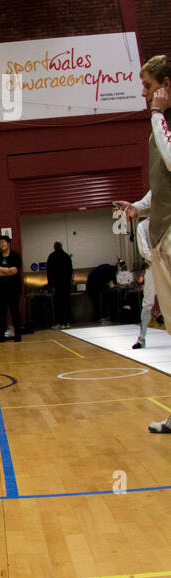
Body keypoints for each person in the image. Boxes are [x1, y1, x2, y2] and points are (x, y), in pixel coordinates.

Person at [114, 52, 171, 432]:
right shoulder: (158, 128)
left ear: (165, 88)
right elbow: (161, 187)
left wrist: (156, 115)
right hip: (162, 233)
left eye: (149, 86)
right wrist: (138, 207)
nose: (144, 93)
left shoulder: (162, 124)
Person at [0, 235, 23, 342]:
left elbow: (15, 270)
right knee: (1, 312)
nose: (1, 244)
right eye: (0, 243)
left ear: (8, 243)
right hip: (0, 289)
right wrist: (7, 271)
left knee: (15, 311)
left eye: (3, 242)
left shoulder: (15, 256)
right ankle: (1, 335)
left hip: (13, 288)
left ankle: (18, 334)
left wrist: (2, 271)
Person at [133, 217, 158, 349]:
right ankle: (141, 339)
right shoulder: (143, 226)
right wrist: (158, 261)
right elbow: (144, 250)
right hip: (154, 267)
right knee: (148, 303)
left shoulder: (167, 222)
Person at [46, 241, 73, 329]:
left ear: (54, 247)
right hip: (66, 284)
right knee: (66, 303)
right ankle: (67, 322)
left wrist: (50, 285)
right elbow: (70, 271)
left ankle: (59, 323)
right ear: (61, 246)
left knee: (58, 304)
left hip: (57, 284)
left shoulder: (51, 256)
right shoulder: (66, 256)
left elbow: (49, 272)